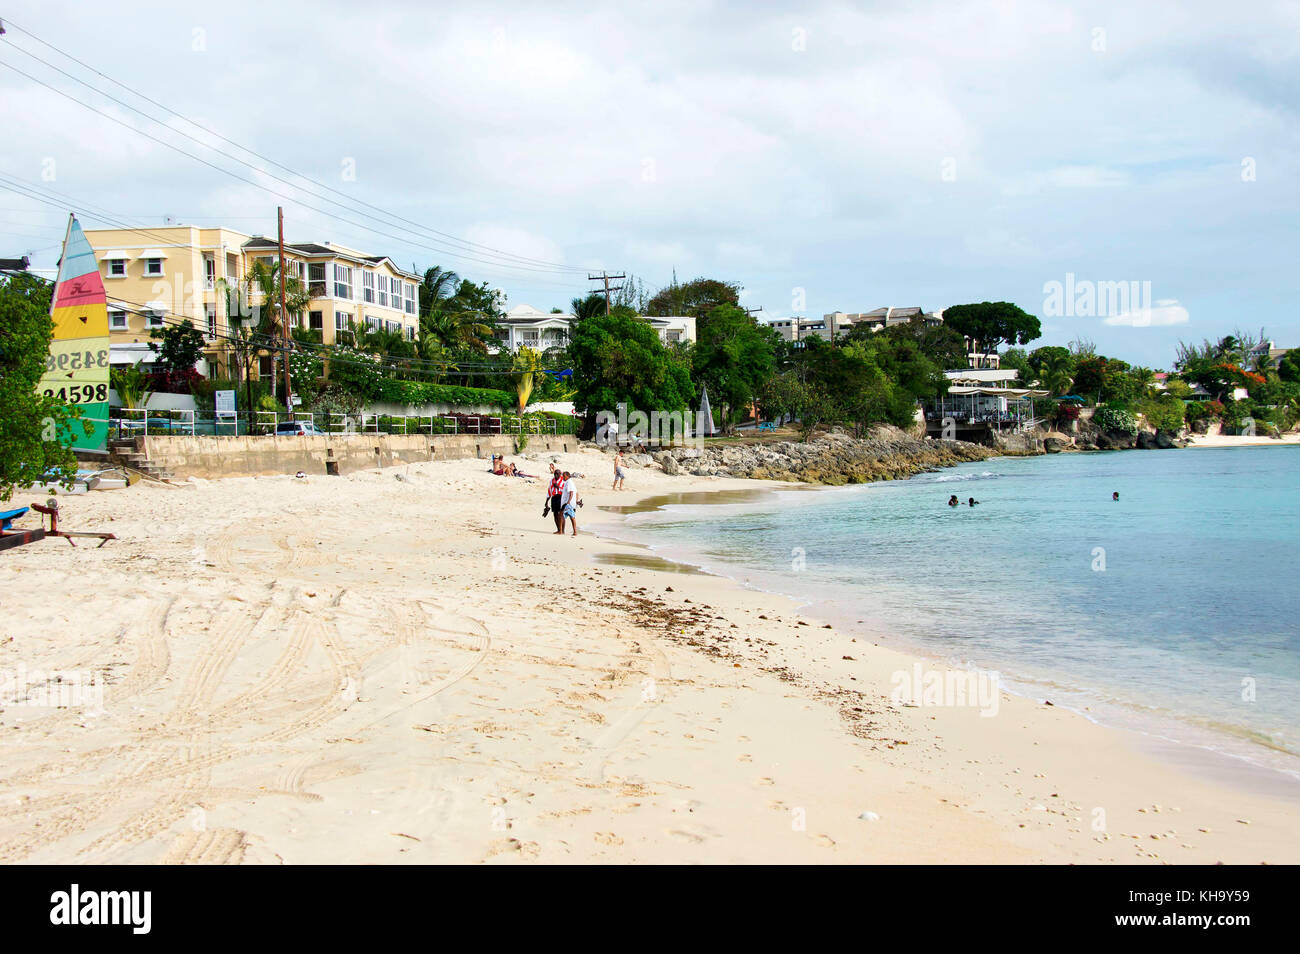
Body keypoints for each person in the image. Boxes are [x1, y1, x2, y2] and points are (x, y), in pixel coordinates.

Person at [561, 470, 581, 536]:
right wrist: (576, 501)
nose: (562, 477)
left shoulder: (569, 482)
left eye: (563, 476)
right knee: (564, 517)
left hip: (568, 504)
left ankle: (574, 532)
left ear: (567, 476)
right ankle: (563, 531)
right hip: (568, 503)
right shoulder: (568, 482)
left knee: (571, 517)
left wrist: (568, 502)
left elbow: (572, 492)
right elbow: (577, 492)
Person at [546, 466, 566, 534]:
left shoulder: (563, 480)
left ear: (560, 474)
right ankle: (558, 529)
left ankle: (562, 530)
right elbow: (549, 490)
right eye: (555, 474)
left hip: (561, 498)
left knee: (561, 514)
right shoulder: (552, 480)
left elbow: (565, 491)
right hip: (554, 498)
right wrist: (546, 501)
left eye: (557, 474)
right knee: (555, 514)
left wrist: (558, 487)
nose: (556, 475)